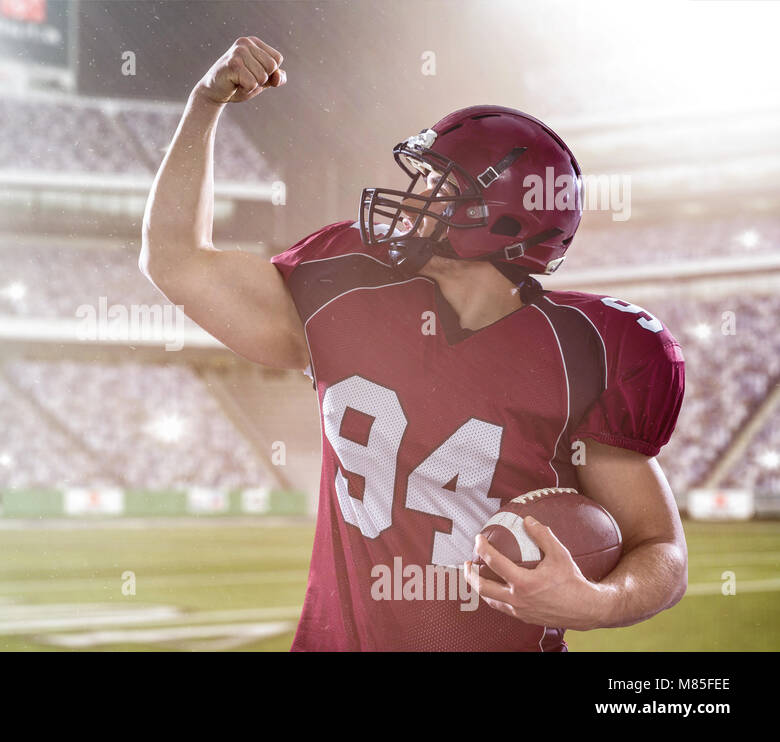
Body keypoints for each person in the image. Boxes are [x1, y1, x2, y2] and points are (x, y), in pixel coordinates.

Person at [139, 37, 688, 650]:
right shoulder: (347, 286)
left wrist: (598, 602)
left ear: (502, 216)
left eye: (435, 183)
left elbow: (659, 547)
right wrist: (205, 103)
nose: (411, 200)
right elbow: (176, 261)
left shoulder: (587, 351)